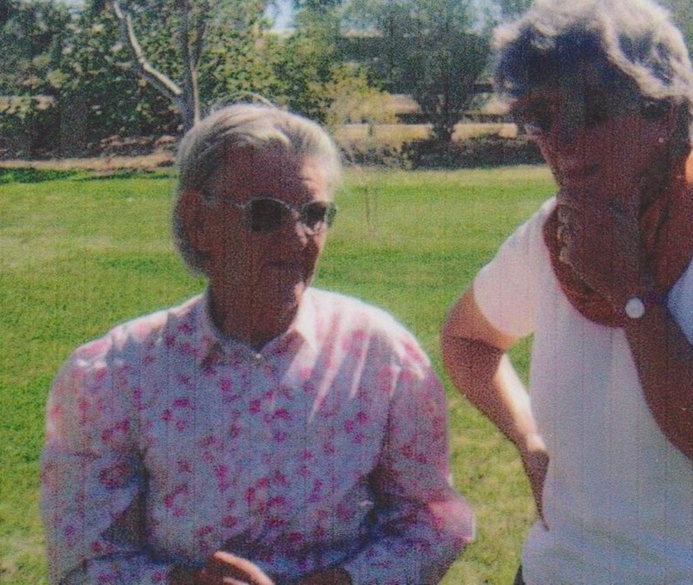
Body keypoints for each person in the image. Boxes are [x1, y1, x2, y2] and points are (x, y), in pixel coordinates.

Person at [441, 0, 693, 584]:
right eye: (539, 119)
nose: (561, 141)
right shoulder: (551, 237)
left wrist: (631, 292)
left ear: (664, 110)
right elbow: (467, 340)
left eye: (589, 110)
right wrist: (530, 442)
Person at [41, 104, 473, 585]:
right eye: (265, 214)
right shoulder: (116, 373)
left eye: (314, 214)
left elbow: (431, 523)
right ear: (197, 222)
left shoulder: (379, 354)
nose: (297, 238)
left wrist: (349, 580)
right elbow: (84, 558)